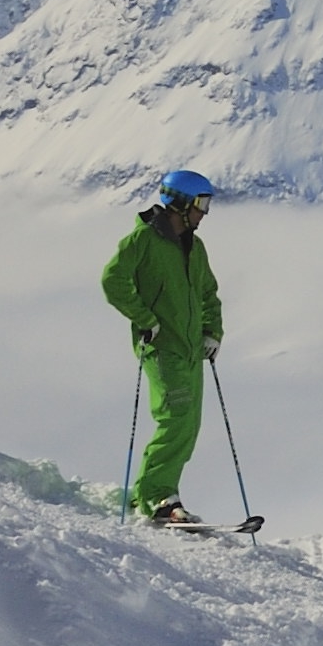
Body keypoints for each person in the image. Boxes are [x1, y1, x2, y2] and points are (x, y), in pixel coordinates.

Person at [98, 170, 223, 523]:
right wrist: (145, 320)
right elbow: (113, 281)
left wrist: (213, 331)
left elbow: (208, 294)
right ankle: (155, 497)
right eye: (201, 204)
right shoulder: (142, 241)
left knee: (189, 424)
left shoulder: (195, 247)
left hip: (191, 348)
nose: (205, 213)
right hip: (160, 346)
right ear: (180, 204)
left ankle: (160, 493)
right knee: (175, 416)